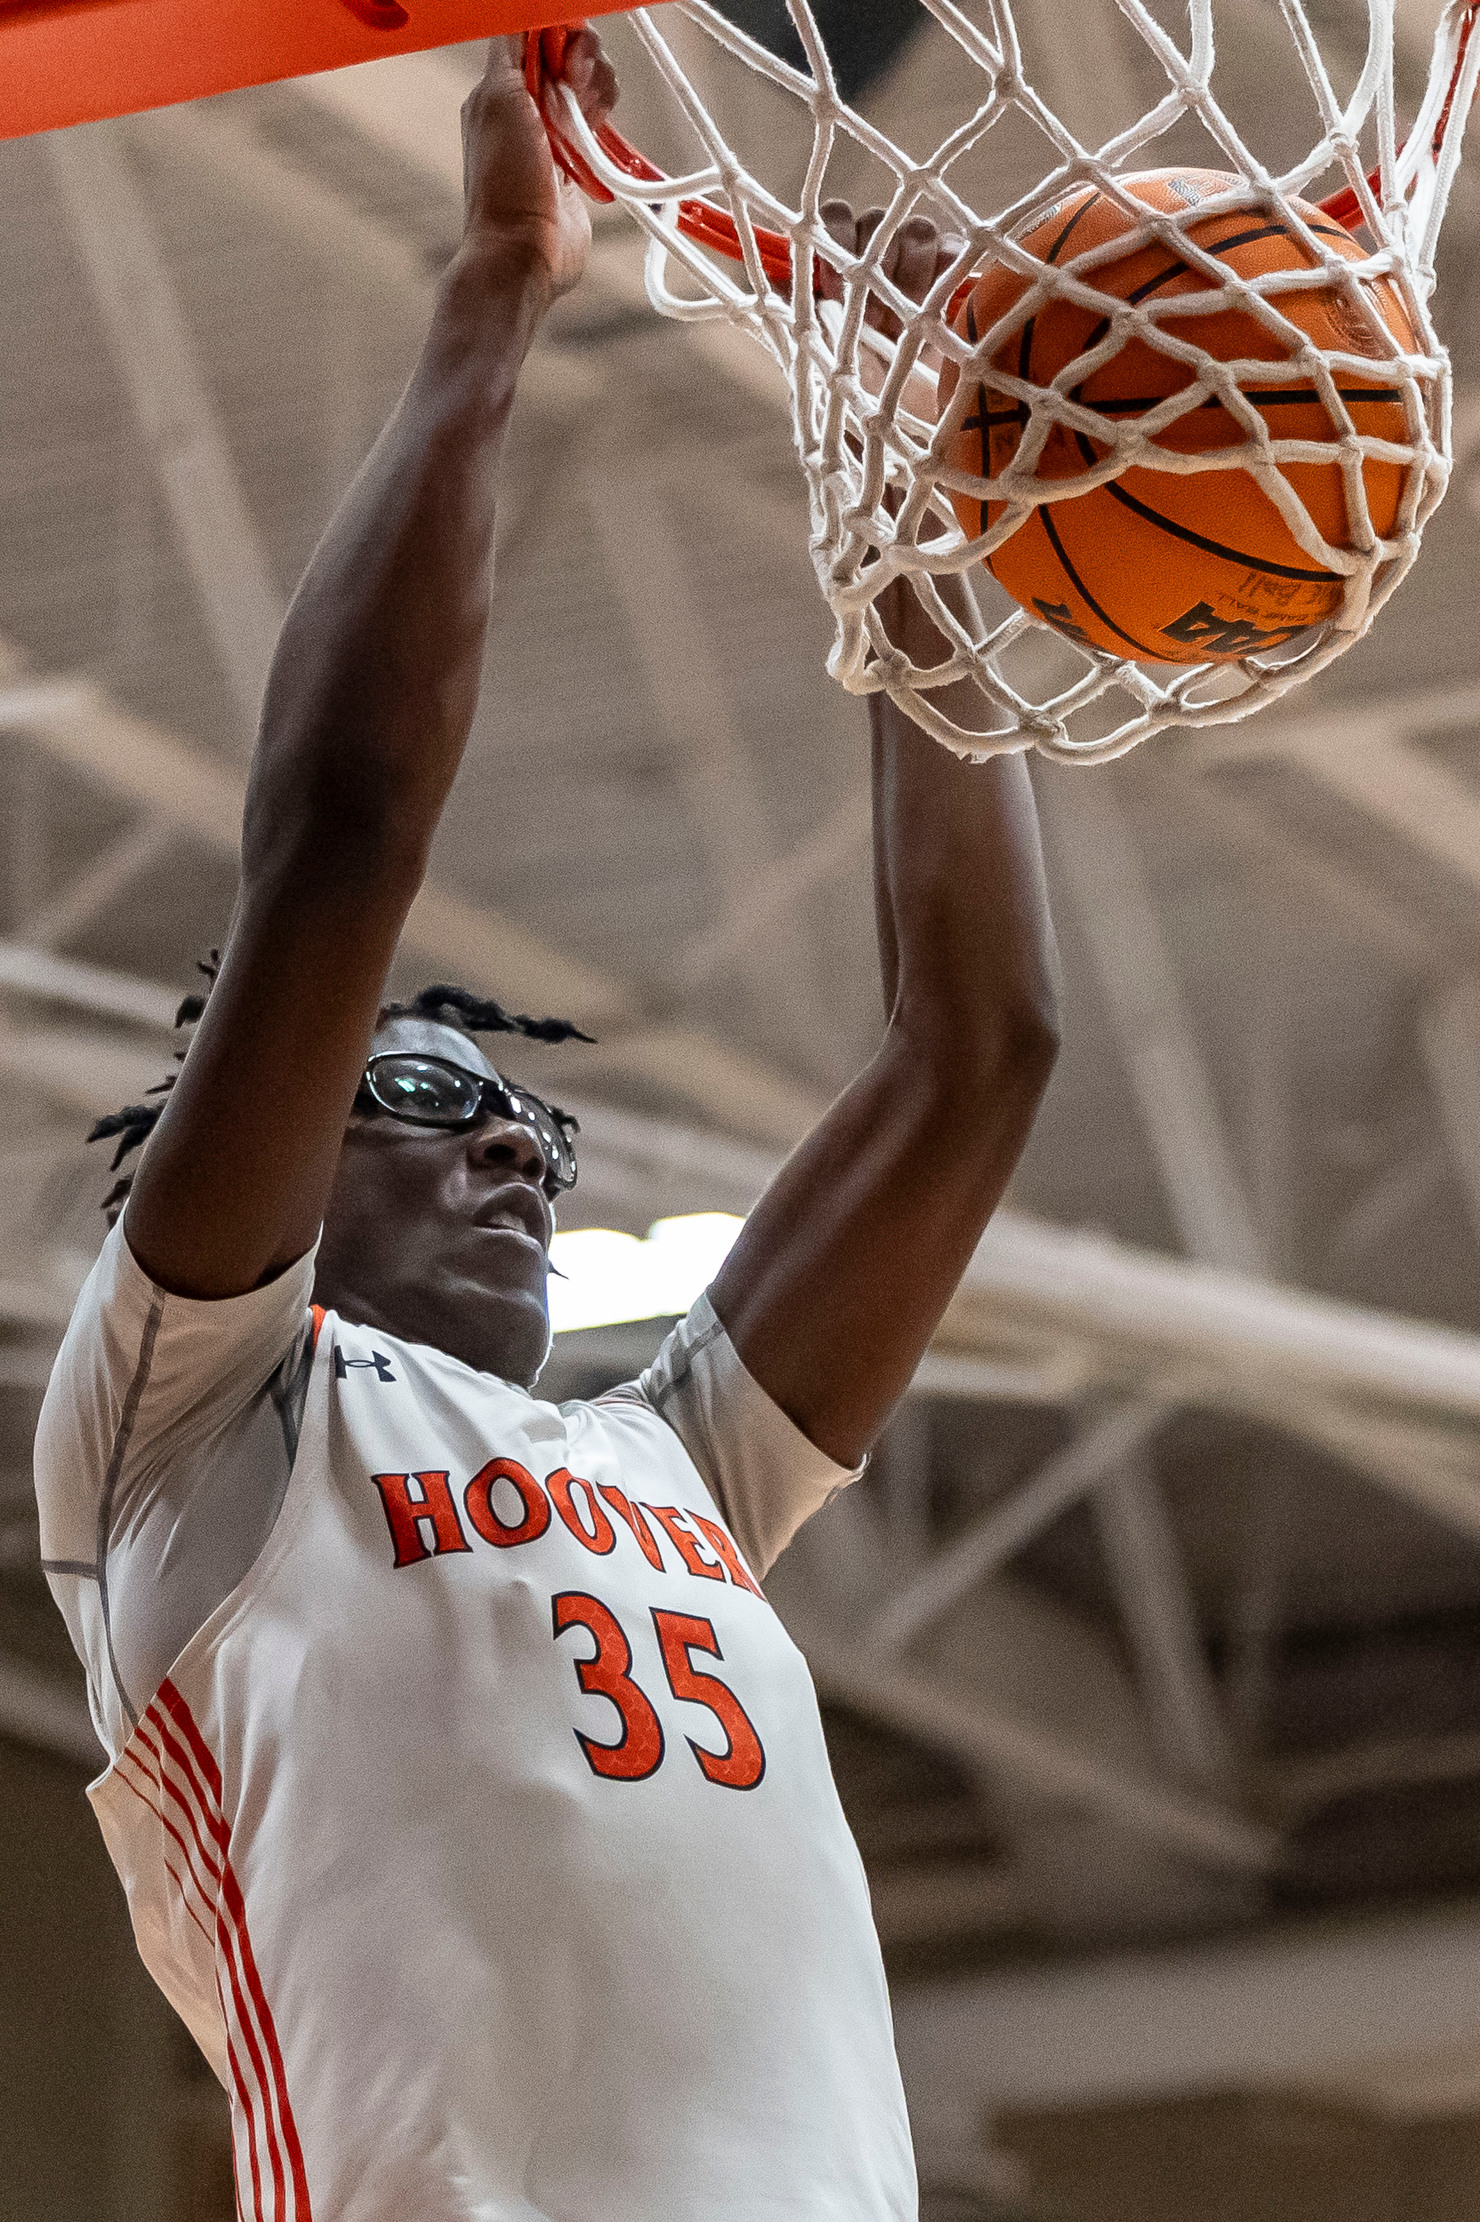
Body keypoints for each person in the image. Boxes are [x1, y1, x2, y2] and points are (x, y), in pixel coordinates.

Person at [34, 30, 1060, 2222]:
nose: (512, 1151)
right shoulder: (190, 1426)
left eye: (536, 1136)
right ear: (285, 1151)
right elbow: (344, 833)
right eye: (424, 1099)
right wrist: (496, 283)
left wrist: (904, 498)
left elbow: (977, 1051)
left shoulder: (664, 1465)